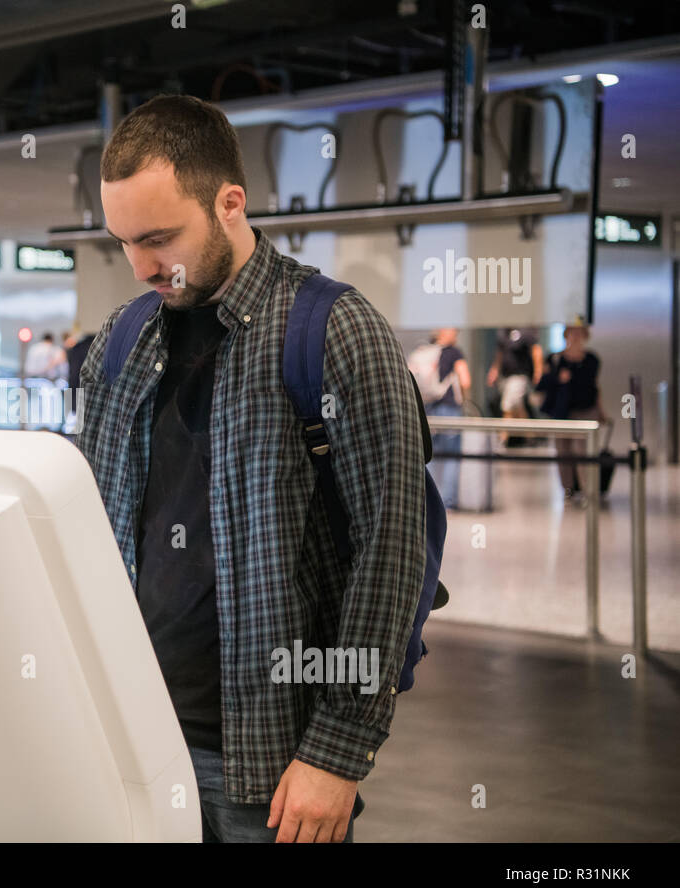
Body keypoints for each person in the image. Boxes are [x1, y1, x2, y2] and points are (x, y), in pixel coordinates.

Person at [79, 94, 427, 842]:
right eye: (124, 243)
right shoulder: (120, 342)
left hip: (268, 761)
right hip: (130, 743)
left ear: (230, 202)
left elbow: (391, 550)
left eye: (160, 238)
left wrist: (338, 752)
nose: (141, 266)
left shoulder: (332, 330)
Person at [536, 314, 606, 505]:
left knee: (583, 451)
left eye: (579, 333)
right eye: (571, 333)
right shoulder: (555, 359)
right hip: (562, 413)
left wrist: (601, 411)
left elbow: (595, 386)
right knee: (563, 452)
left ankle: (587, 490)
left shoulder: (591, 360)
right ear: (566, 335)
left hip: (585, 410)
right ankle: (568, 490)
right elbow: (541, 385)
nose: (575, 337)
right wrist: (558, 379)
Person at [410, 328, 471, 510]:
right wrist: (464, 400)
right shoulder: (454, 353)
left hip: (428, 409)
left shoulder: (423, 351)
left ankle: (430, 502)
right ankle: (447, 502)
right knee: (452, 456)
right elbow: (465, 380)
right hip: (450, 408)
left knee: (430, 455)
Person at [487, 327, 543, 444]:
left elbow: (535, 350)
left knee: (507, 406)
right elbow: (500, 354)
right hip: (505, 377)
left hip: (519, 376)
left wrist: (538, 370)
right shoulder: (503, 332)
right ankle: (531, 436)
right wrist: (494, 371)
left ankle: (503, 438)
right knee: (518, 408)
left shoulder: (526, 332)